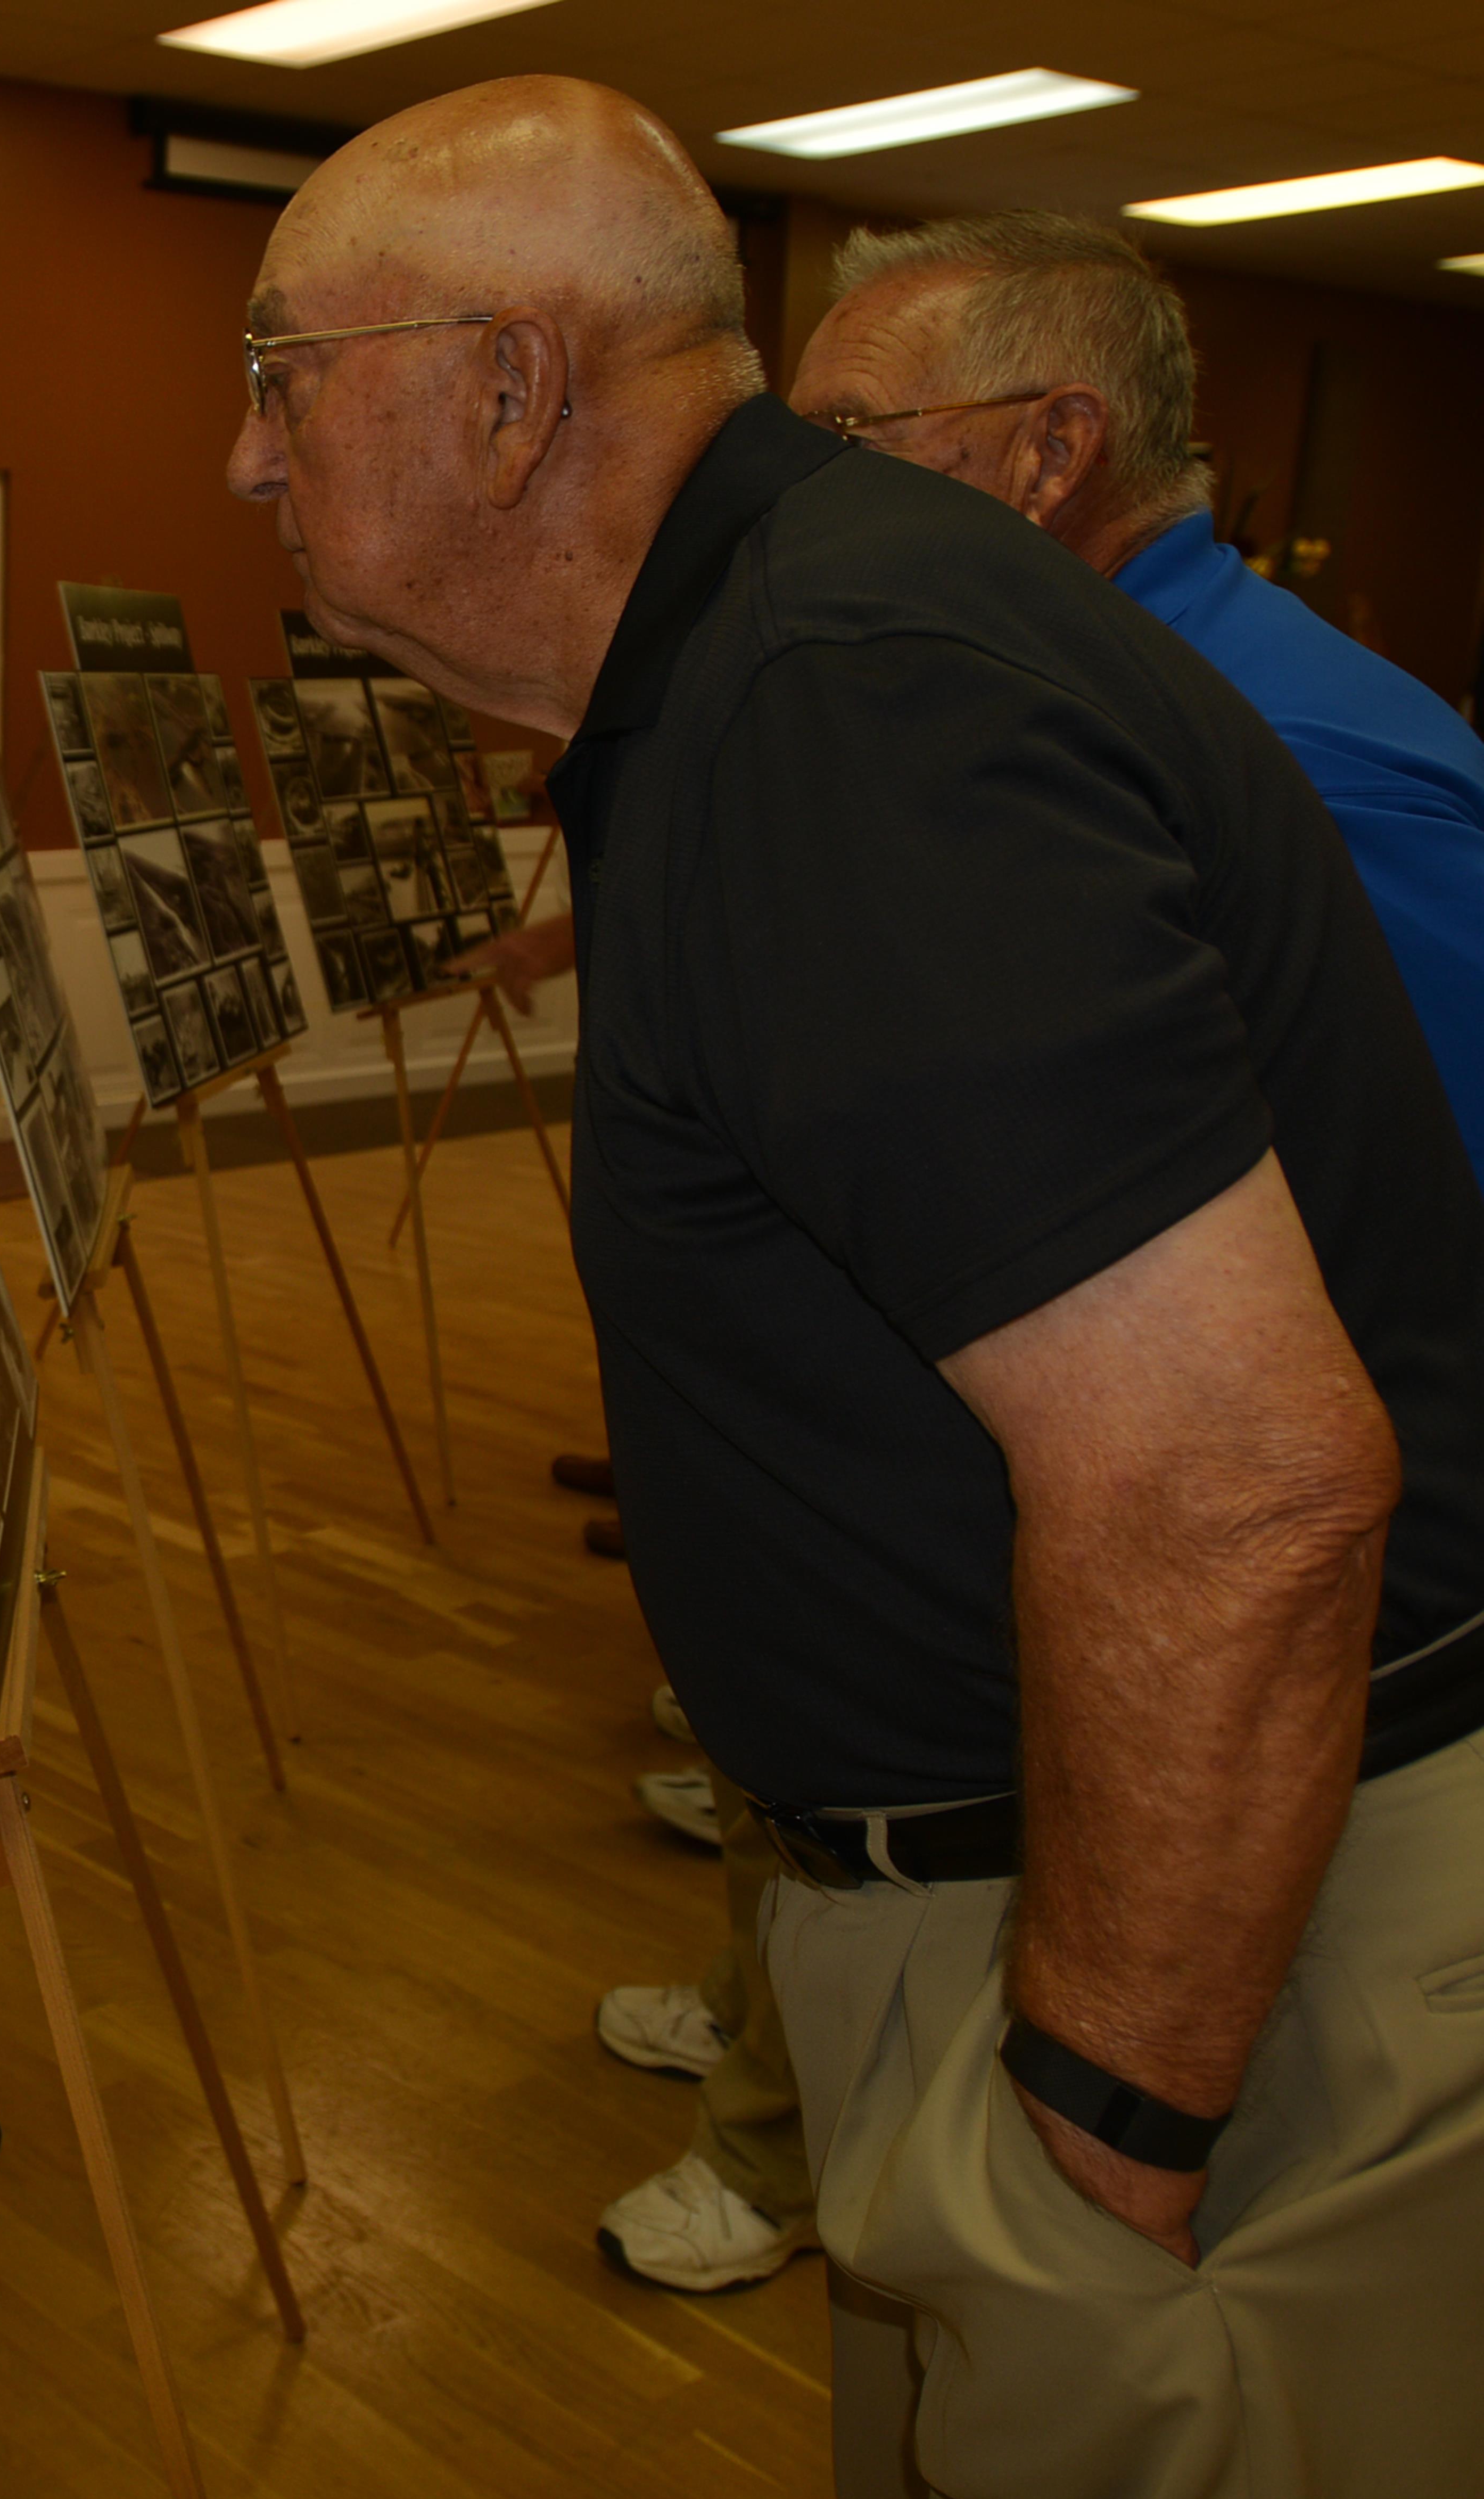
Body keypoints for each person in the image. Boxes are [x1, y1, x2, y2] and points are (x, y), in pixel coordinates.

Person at [233, 78, 1484, 2499]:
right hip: (1121, 1886)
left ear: (506, 384)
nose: (237, 455)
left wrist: (1099, 2140)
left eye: (283, 368)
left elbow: (1238, 1485)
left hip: (1200, 1946)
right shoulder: (775, 651)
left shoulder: (835, 695)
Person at [553, 206, 1484, 2301]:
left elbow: (1382, 1228)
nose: (780, 488)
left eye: (852, 431)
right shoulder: (991, 677)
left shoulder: (1252, 738)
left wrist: (1102, 2129)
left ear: (1053, 442)